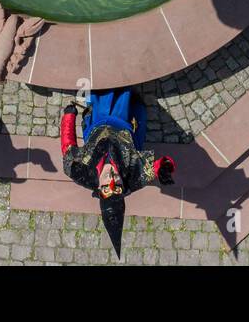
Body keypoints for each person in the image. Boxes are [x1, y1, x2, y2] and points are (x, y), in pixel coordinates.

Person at [60, 88, 176, 256]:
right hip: (124, 123)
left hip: (96, 124)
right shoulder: (135, 177)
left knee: (99, 91)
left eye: (107, 188)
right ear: (123, 189)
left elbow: (67, 145)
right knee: (126, 91)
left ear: (100, 190)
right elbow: (159, 166)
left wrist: (69, 116)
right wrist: (166, 167)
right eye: (118, 187)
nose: (112, 180)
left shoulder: (78, 171)